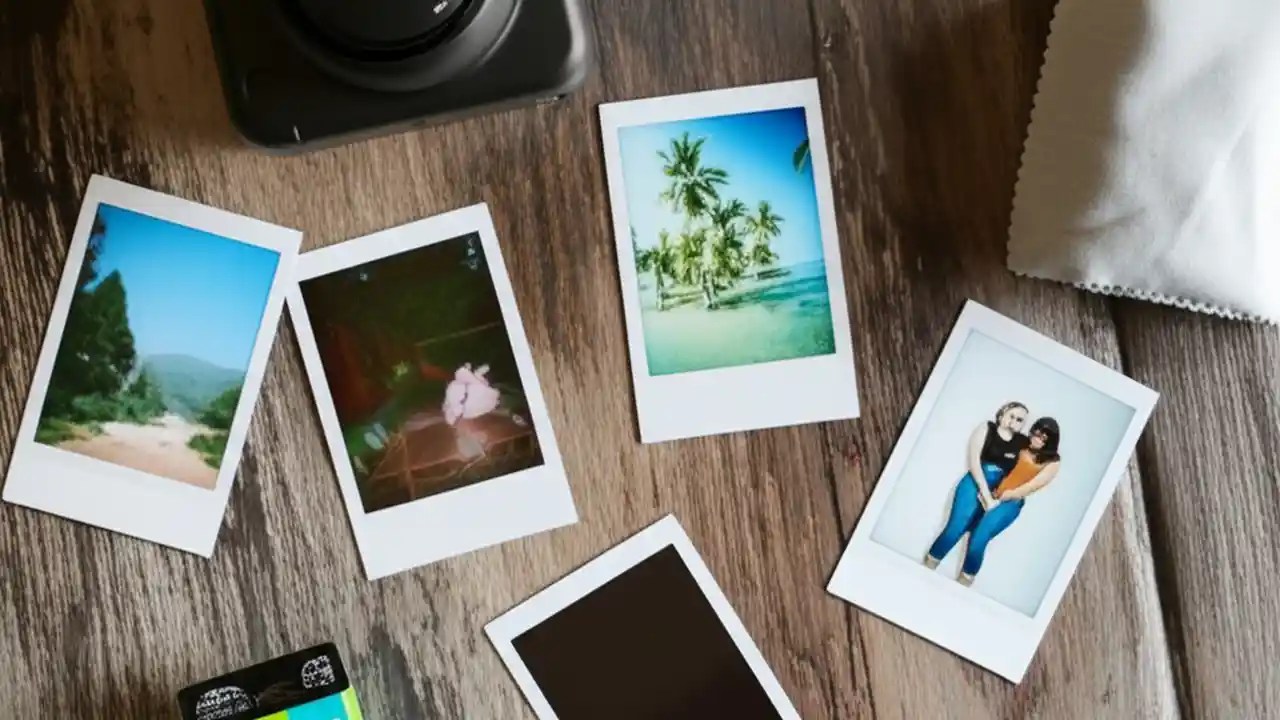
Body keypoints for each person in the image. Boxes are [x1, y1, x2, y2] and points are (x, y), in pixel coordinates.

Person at [923, 402, 1029, 579]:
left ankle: (964, 582)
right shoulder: (987, 428)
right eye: (1012, 416)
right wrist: (985, 495)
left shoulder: (1023, 442)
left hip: (1001, 491)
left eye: (1019, 420)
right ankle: (926, 568)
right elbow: (974, 462)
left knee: (978, 539)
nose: (1014, 421)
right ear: (1003, 413)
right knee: (955, 529)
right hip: (976, 481)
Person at [957, 417, 1062, 584]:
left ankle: (966, 579)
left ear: (1050, 442)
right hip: (993, 492)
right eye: (1036, 433)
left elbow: (1034, 485)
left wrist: (1011, 494)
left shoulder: (1052, 461)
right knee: (966, 529)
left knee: (980, 537)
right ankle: (959, 578)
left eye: (1043, 438)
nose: (1037, 439)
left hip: (1011, 502)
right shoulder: (1022, 444)